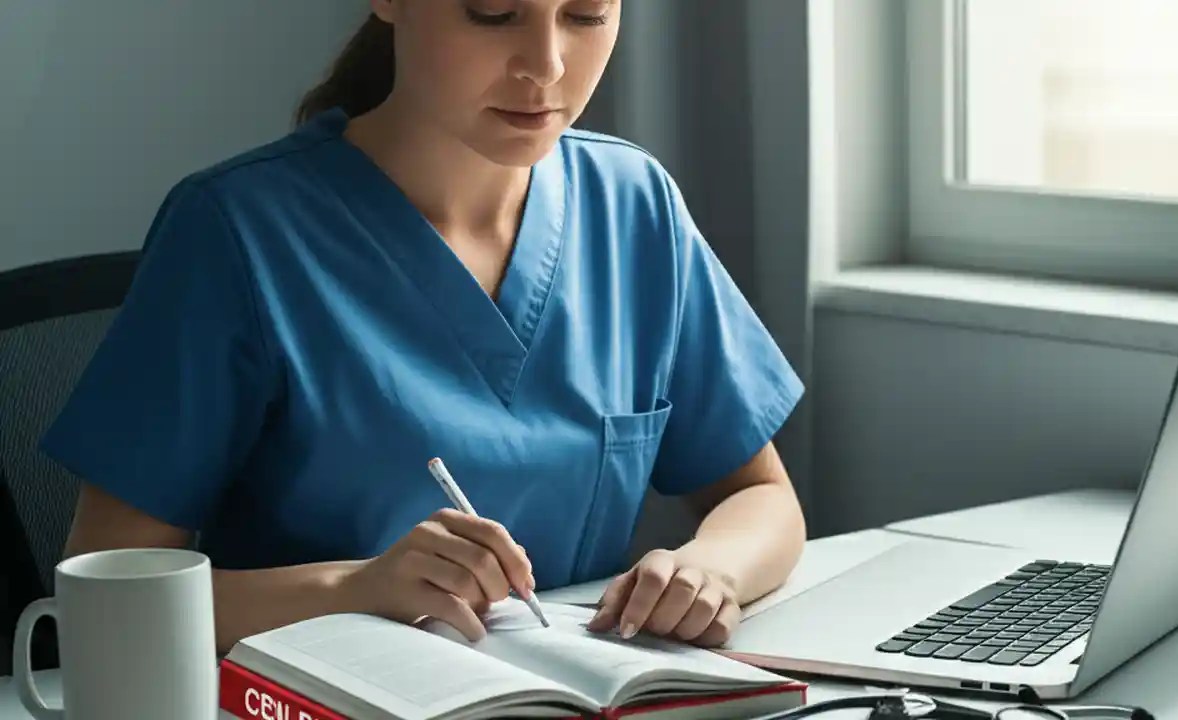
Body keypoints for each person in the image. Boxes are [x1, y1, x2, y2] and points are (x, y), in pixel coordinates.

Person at [42, 0, 806, 655]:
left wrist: (711, 569)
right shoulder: (236, 233)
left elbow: (762, 498)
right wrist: (358, 586)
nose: (545, 65)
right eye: (492, 13)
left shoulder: (633, 205)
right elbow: (106, 593)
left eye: (585, 14)